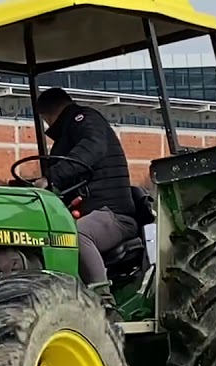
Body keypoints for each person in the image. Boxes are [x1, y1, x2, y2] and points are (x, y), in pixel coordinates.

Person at [32, 87, 139, 313]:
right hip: (93, 211)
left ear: (46, 116)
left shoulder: (86, 121)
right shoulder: (69, 135)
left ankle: (103, 299)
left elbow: (93, 148)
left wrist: (50, 178)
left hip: (114, 214)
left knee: (75, 235)